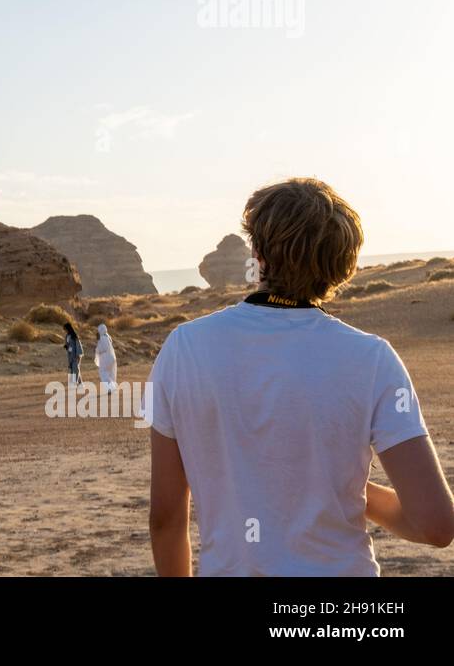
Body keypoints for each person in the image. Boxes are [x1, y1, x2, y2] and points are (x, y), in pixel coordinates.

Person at [149, 178, 454, 576]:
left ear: (256, 252)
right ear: (343, 267)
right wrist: (351, 491)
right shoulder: (370, 358)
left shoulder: (184, 348)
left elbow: (166, 520)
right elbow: (436, 525)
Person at [95, 322, 117, 389]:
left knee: (103, 373)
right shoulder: (107, 337)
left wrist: (97, 350)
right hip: (111, 358)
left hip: (106, 358)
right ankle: (112, 387)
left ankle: (110, 388)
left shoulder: (102, 338)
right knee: (110, 373)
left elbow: (103, 348)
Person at [63, 321, 84, 386]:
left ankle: (74, 383)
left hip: (76, 355)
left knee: (75, 369)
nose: (65, 330)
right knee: (73, 368)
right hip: (70, 355)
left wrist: (79, 354)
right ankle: (80, 384)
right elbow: (68, 344)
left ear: (68, 328)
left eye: (65, 329)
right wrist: (66, 346)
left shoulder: (74, 336)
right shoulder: (67, 336)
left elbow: (78, 345)